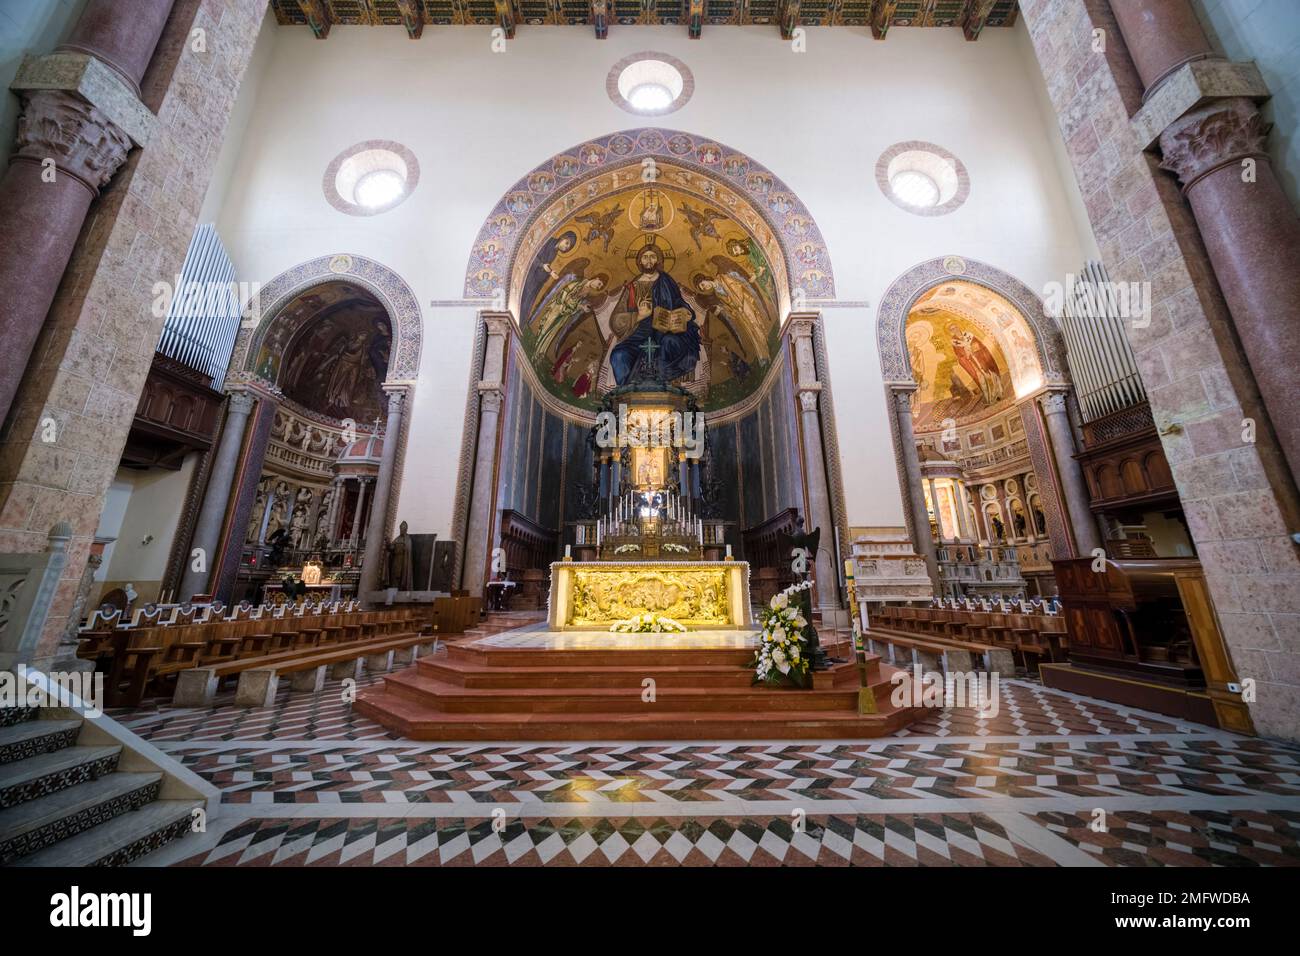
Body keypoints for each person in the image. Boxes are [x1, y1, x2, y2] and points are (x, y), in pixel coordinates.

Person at [609, 244, 699, 386]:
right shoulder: (633, 287)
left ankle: (663, 388)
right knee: (619, 356)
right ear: (640, 261)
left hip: (664, 331)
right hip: (637, 335)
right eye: (645, 257)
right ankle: (626, 398)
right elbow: (615, 320)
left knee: (670, 343)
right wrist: (639, 315)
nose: (649, 260)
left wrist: (687, 313)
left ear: (658, 260)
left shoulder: (667, 281)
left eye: (652, 257)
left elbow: (678, 302)